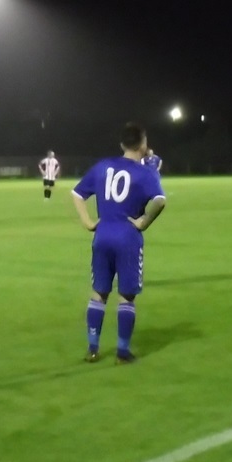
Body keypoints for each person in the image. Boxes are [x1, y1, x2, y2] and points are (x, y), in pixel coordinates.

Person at [70, 123, 166, 363]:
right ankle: (122, 351)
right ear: (143, 144)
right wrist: (143, 221)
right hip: (127, 238)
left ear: (122, 144)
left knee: (99, 293)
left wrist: (88, 222)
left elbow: (77, 194)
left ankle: (93, 349)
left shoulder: (103, 167)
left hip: (102, 235)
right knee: (126, 296)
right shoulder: (146, 173)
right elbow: (160, 201)